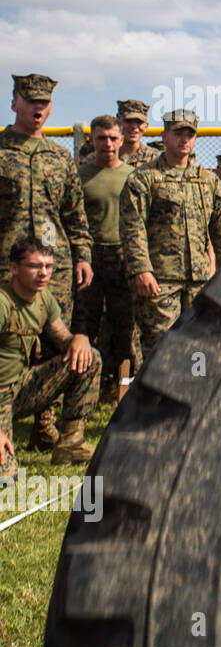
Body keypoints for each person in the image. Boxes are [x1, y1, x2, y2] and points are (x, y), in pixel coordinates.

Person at [1, 73, 94, 453]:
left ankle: (49, 428)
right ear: (14, 103)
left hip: (50, 269)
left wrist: (83, 256)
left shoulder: (59, 157)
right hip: (6, 268)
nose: (38, 108)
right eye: (30, 100)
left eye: (44, 103)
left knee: (61, 345)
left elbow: (75, 214)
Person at [120, 110, 221, 359]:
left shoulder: (208, 181)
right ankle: (156, 398)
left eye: (189, 134)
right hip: (161, 281)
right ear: (164, 136)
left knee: (200, 346)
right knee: (161, 349)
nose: (184, 139)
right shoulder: (144, 178)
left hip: (200, 281)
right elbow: (133, 228)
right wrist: (141, 269)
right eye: (178, 134)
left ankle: (194, 396)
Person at [0, 237, 101, 486]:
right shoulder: (3, 303)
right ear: (14, 268)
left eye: (48, 266)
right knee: (6, 479)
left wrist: (77, 340)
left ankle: (70, 444)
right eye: (35, 266)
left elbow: (62, 336)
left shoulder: (43, 298)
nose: (43, 273)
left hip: (21, 387)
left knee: (89, 358)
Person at [73, 115, 139, 401]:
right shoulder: (79, 175)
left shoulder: (133, 175)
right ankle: (85, 391)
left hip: (123, 257)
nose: (108, 144)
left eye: (113, 138)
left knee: (124, 326)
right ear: (92, 140)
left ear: (122, 140)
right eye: (101, 138)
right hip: (90, 258)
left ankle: (121, 389)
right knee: (86, 326)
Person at [116, 100, 161, 168]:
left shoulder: (156, 158)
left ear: (146, 126)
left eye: (138, 122)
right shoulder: (106, 155)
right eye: (128, 121)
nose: (134, 126)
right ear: (117, 123)